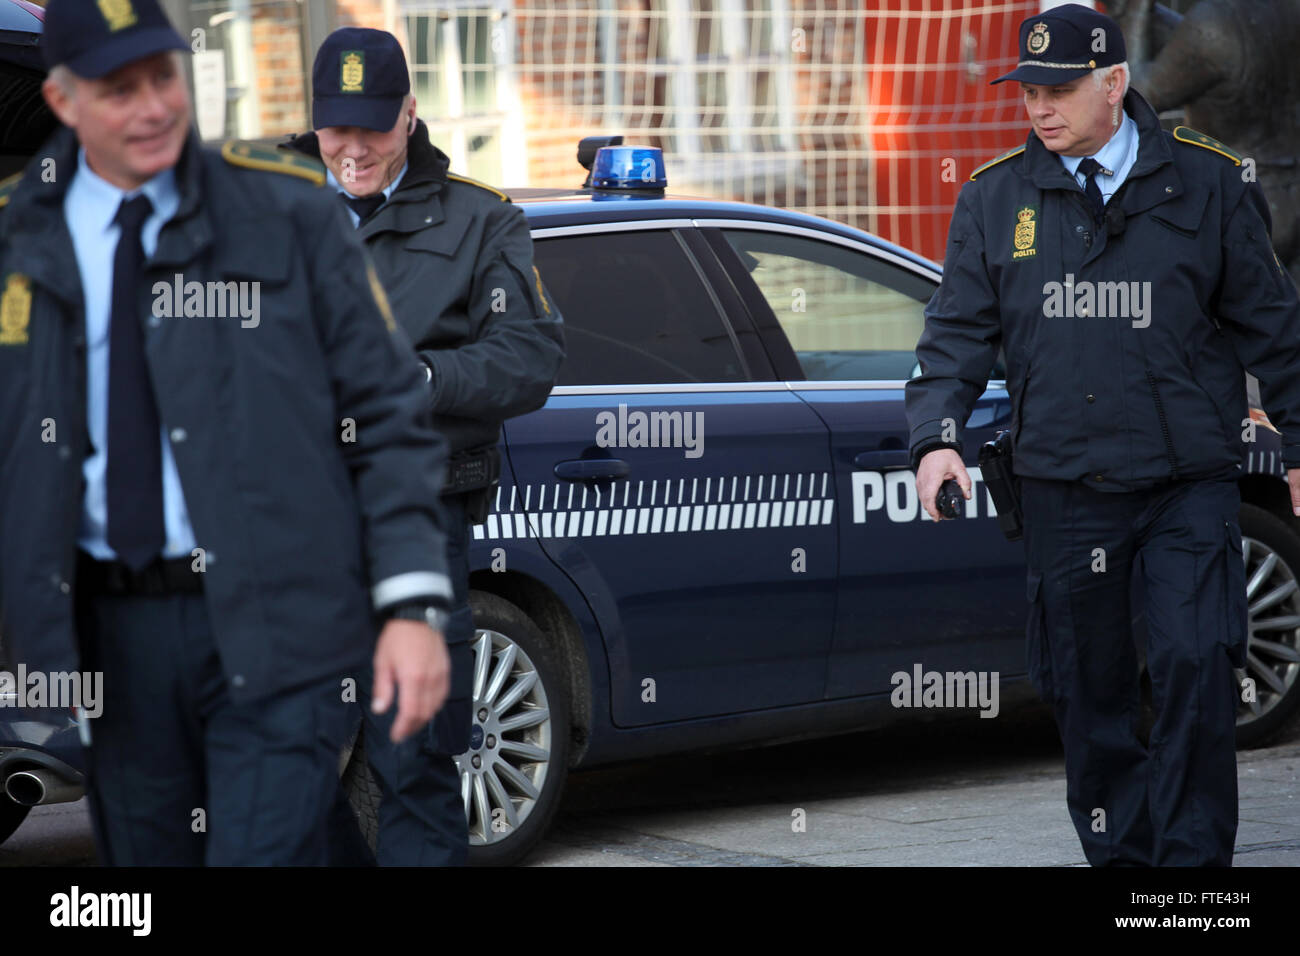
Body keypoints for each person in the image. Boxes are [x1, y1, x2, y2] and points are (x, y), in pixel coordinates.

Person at [0, 0, 456, 865]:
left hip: (277, 614)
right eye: (118, 87)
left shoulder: (289, 217)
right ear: (62, 101)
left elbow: (392, 414)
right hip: (113, 634)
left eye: (165, 77)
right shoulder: (20, 238)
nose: (153, 107)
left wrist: (407, 604)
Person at [906, 3, 1300, 866]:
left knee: (1199, 672)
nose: (1038, 107)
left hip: (1184, 484)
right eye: (1028, 90)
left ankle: (1190, 886)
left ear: (1115, 84)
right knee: (1090, 693)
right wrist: (938, 437)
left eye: (1059, 88)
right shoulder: (995, 195)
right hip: (1063, 490)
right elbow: (956, 337)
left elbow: (1275, 328)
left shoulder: (1209, 182)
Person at [283, 27, 565, 866]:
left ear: (410, 113)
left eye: (374, 126)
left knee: (413, 764)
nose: (354, 149)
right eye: (338, 129)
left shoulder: (483, 221)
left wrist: (415, 379)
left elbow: (530, 358)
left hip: (414, 520)